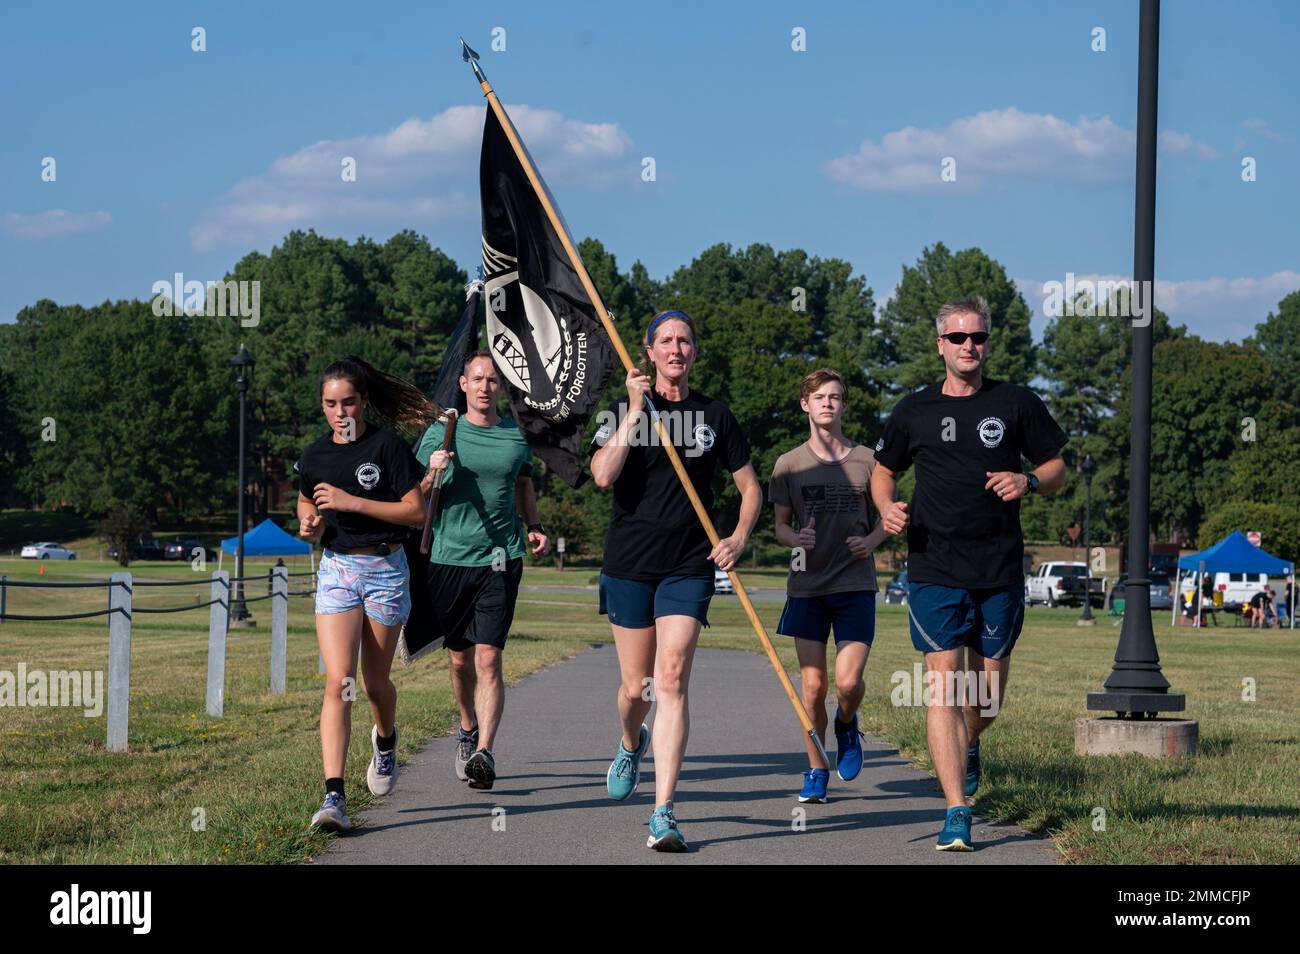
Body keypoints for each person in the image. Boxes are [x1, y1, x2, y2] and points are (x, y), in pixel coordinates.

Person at [870, 297, 1067, 851]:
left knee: (985, 698)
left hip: (999, 567)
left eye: (977, 338)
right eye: (957, 338)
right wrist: (886, 508)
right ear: (940, 345)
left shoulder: (1015, 403)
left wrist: (1027, 481)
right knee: (943, 688)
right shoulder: (914, 410)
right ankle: (957, 809)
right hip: (933, 566)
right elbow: (883, 472)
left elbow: (1058, 468)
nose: (968, 347)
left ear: (987, 343)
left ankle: (970, 741)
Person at [591, 309, 760, 852]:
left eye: (684, 340)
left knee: (671, 679)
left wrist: (737, 536)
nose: (676, 349)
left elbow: (750, 489)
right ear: (648, 351)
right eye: (665, 340)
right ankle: (628, 740)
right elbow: (601, 475)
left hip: (689, 565)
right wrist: (637, 409)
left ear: (694, 352)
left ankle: (663, 811)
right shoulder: (624, 409)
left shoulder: (716, 415)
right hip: (629, 563)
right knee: (635, 688)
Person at [298, 355, 438, 832]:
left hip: (384, 569)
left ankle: (385, 739)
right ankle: (333, 796)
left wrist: (350, 502)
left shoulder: (387, 447)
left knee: (374, 684)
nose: (341, 413)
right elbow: (305, 494)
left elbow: (416, 513)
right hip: (337, 569)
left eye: (350, 402)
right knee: (338, 682)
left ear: (363, 402)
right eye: (331, 404)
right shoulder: (315, 454)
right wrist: (309, 522)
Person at [413, 350, 549, 791]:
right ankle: (467, 726)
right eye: (478, 379)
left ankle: (485, 751)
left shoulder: (516, 436)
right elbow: (417, 496)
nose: (486, 387)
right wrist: (433, 472)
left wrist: (535, 525)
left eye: (494, 380)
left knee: (489, 657)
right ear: (464, 385)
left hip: (501, 558)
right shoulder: (441, 432)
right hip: (449, 557)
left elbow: (524, 484)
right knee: (459, 660)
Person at [769, 368, 886, 803]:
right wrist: (796, 538)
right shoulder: (788, 464)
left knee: (848, 683)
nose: (827, 403)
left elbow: (889, 517)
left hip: (855, 584)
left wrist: (871, 540)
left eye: (836, 397)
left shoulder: (869, 459)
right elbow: (779, 527)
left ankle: (847, 724)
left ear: (844, 405)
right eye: (819, 397)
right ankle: (816, 768)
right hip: (807, 587)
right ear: (806, 404)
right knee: (814, 687)